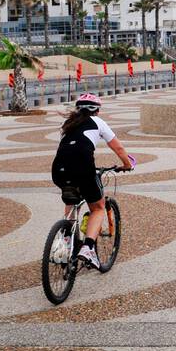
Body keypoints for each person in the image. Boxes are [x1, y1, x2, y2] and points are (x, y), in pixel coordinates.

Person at [50, 93, 135, 270]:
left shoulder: (68, 125)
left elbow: (69, 150)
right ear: (97, 110)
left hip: (59, 170)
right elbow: (118, 147)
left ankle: (65, 242)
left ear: (78, 109)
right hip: (82, 169)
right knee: (98, 207)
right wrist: (127, 164)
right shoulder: (98, 122)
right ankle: (88, 248)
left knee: (72, 201)